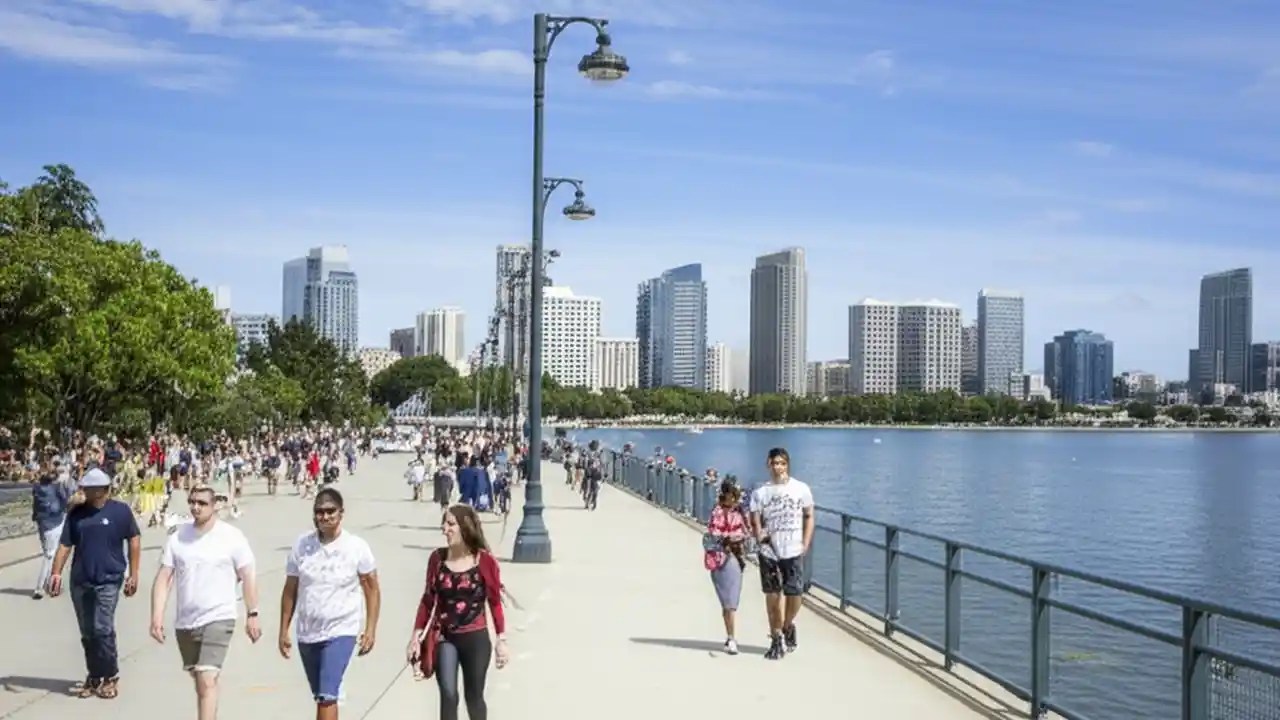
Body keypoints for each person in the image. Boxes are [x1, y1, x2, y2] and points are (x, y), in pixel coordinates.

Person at [149, 485, 262, 720]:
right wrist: (157, 616)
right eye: (192, 502)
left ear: (215, 506)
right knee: (200, 680)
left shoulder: (231, 537)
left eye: (202, 503)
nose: (195, 507)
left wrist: (253, 613)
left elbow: (247, 574)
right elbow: (164, 577)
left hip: (219, 617)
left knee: (206, 679)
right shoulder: (178, 538)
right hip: (186, 621)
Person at [279, 488, 380, 720]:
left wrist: (371, 628)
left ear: (341, 513)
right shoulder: (301, 546)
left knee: (326, 695)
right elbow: (290, 589)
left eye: (330, 512)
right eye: (319, 512)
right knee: (323, 695)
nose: (324, 517)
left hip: (341, 630)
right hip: (308, 632)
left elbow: (371, 588)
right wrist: (283, 628)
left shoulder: (356, 547)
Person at [47, 467, 142, 699]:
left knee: (103, 628)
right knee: (88, 631)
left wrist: (134, 574)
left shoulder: (120, 512)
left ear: (103, 490)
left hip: (109, 579)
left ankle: (110, 676)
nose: (85, 491)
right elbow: (65, 545)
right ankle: (94, 675)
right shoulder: (77, 514)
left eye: (90, 489)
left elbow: (134, 539)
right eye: (84, 487)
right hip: (81, 580)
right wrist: (56, 573)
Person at [409, 505, 509, 720]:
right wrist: (415, 637)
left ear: (465, 527)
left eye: (451, 524)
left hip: (476, 639)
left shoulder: (484, 562)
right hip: (446, 638)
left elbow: (494, 602)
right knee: (448, 694)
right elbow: (428, 600)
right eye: (444, 524)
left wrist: (502, 639)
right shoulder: (437, 559)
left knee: (473, 698)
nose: (445, 529)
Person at [748, 447, 814, 660]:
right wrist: (759, 535)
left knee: (795, 594)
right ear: (768, 464)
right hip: (770, 550)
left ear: (788, 465)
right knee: (773, 596)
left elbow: (809, 515)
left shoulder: (801, 489)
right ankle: (776, 637)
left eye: (782, 463)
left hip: (793, 548)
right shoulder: (760, 493)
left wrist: (805, 542)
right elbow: (755, 519)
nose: (778, 467)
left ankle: (787, 625)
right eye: (774, 463)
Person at [704, 480, 748, 654]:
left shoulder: (739, 513)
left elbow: (745, 532)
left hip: (736, 557)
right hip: (720, 558)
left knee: (731, 600)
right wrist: (729, 538)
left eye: (734, 497)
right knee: (727, 601)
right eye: (728, 496)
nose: (731, 500)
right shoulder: (717, 513)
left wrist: (736, 539)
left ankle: (730, 636)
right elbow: (714, 534)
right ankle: (731, 637)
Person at [32, 455, 75, 598]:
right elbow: (67, 500)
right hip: (55, 521)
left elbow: (35, 507)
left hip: (42, 523)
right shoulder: (56, 488)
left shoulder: (37, 489)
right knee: (50, 555)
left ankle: (49, 584)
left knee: (49, 552)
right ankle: (40, 587)